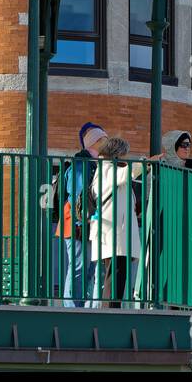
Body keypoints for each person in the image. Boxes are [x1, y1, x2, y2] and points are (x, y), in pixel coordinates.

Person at [54, 122, 104, 307]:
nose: (106, 143)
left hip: (84, 224)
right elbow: (79, 197)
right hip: (77, 224)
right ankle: (72, 307)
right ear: (94, 142)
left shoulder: (90, 165)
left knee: (86, 269)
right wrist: (86, 219)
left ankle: (80, 306)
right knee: (79, 267)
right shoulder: (81, 165)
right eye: (103, 139)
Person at [89, 135, 140, 308]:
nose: (127, 157)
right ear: (117, 154)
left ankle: (112, 309)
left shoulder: (111, 171)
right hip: (113, 234)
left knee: (117, 276)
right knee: (114, 276)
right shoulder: (106, 169)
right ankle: (110, 312)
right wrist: (147, 162)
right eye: (126, 154)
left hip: (117, 234)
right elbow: (129, 172)